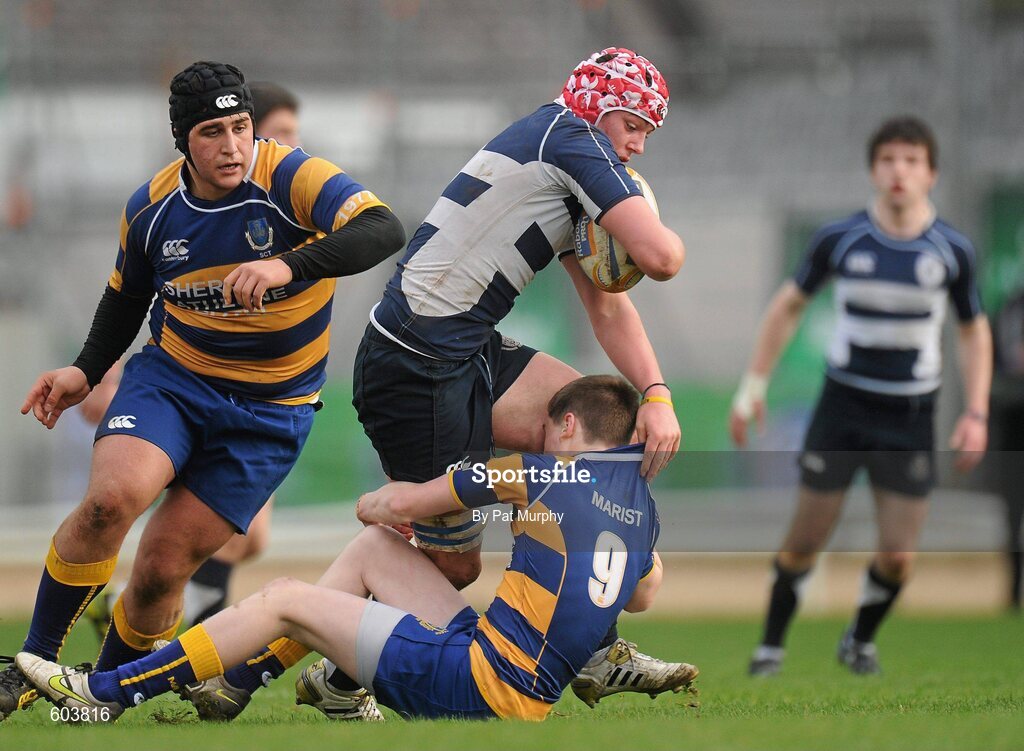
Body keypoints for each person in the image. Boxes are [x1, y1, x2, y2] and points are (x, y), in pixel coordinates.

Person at [0, 60, 405, 722]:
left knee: (162, 568)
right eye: (213, 131)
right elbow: (124, 296)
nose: (233, 145)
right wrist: (83, 369)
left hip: (269, 412)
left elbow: (383, 228)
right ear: (183, 140)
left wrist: (286, 264)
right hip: (174, 381)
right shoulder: (152, 206)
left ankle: (97, 694)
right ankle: (26, 665)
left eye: (241, 126)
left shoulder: (293, 175)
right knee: (111, 499)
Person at [16, 376, 698, 723]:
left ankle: (104, 691)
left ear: (570, 424)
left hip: (479, 681)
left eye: (550, 432)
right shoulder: (644, 514)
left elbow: (404, 502)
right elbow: (642, 591)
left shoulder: (540, 471)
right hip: (513, 676)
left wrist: (381, 501)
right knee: (375, 552)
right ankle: (248, 683)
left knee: (287, 595)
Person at [346, 46, 687, 710]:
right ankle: (329, 662)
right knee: (456, 566)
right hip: (414, 365)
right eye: (635, 126)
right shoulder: (575, 137)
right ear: (601, 108)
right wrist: (646, 216)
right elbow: (661, 256)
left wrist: (657, 393)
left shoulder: (566, 143)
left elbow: (608, 303)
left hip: (464, 344)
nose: (639, 146)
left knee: (588, 430)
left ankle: (595, 649)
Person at [729, 116, 992, 675]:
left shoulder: (952, 250)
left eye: (912, 160)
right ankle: (770, 647)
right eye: (889, 159)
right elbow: (788, 306)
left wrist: (976, 411)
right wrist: (753, 386)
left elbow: (973, 330)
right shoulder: (840, 238)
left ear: (932, 173)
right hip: (843, 409)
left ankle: (859, 639)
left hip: (911, 414)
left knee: (898, 556)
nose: (900, 170)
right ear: (874, 169)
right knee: (805, 540)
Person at [182, 80, 302, 627]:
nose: (286, 147)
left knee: (249, 537)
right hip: (221, 388)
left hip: (272, 385)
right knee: (237, 532)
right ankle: (193, 637)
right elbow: (155, 293)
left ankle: (143, 610)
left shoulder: (296, 193)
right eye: (280, 134)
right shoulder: (210, 208)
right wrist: (105, 375)